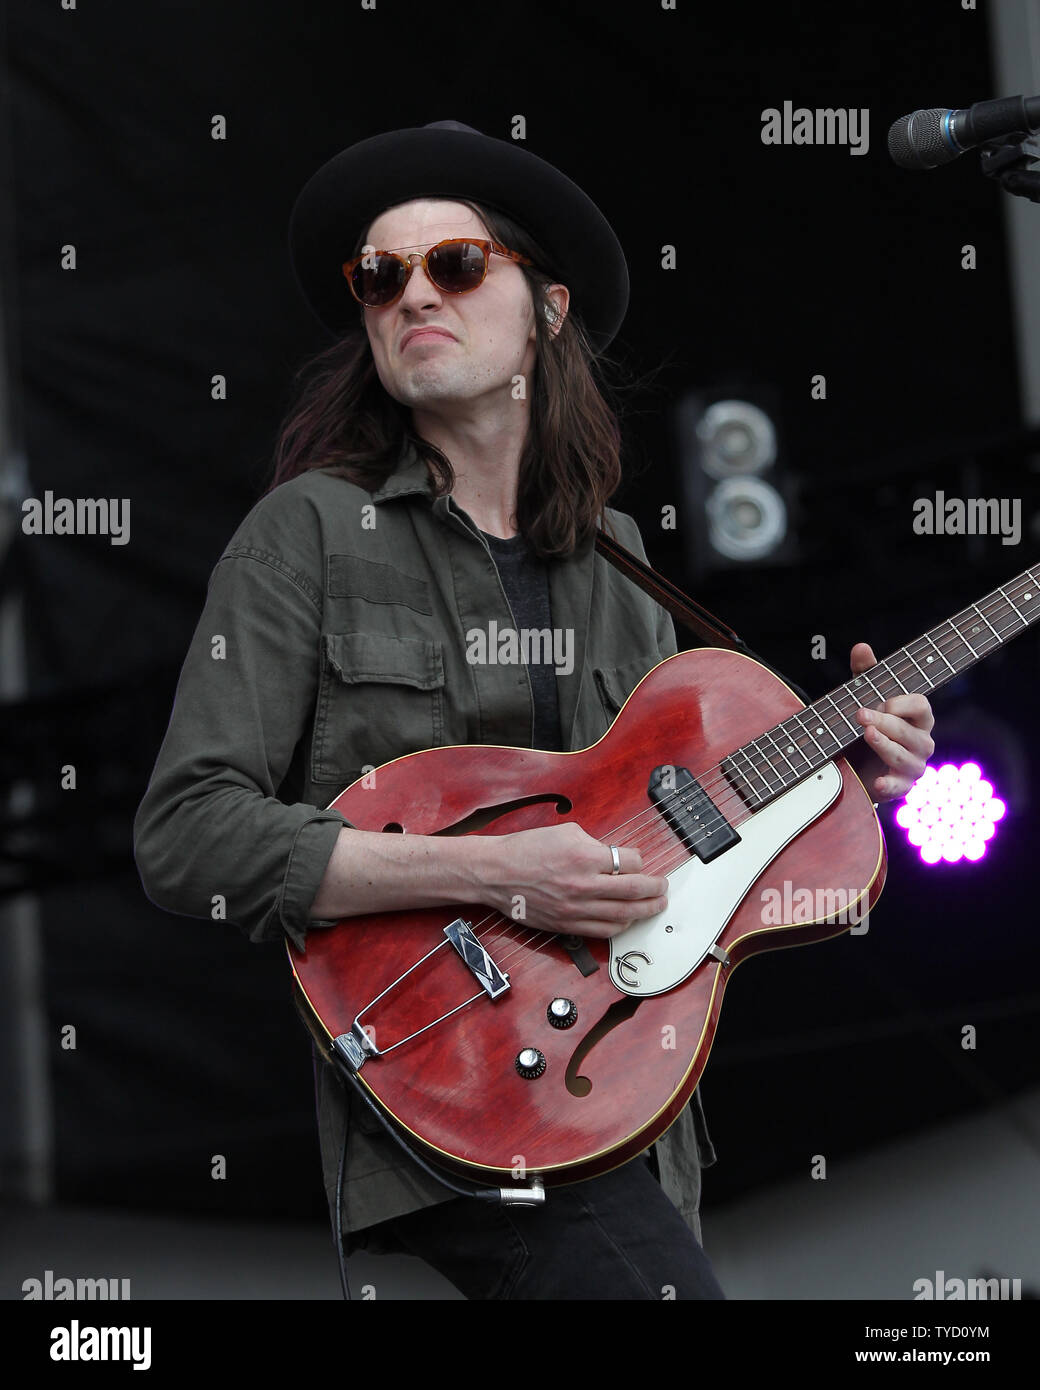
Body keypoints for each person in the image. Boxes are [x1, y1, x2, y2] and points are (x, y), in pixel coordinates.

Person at [133, 120, 935, 1301]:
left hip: (628, 1111)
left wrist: (824, 794)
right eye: (379, 276)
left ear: (546, 311)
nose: (412, 294)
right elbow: (186, 836)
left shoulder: (621, 559)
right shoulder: (303, 533)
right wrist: (497, 877)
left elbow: (673, 849)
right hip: (444, 1098)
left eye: (452, 264)